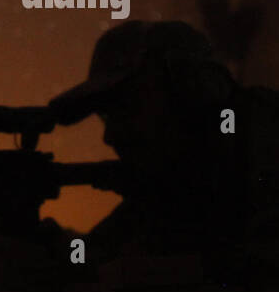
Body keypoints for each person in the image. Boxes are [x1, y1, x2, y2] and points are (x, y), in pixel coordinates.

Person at [48, 21, 279, 276]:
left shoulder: (262, 151)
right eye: (106, 114)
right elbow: (96, 253)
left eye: (126, 107)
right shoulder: (173, 183)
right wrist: (51, 248)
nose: (110, 136)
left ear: (192, 91)